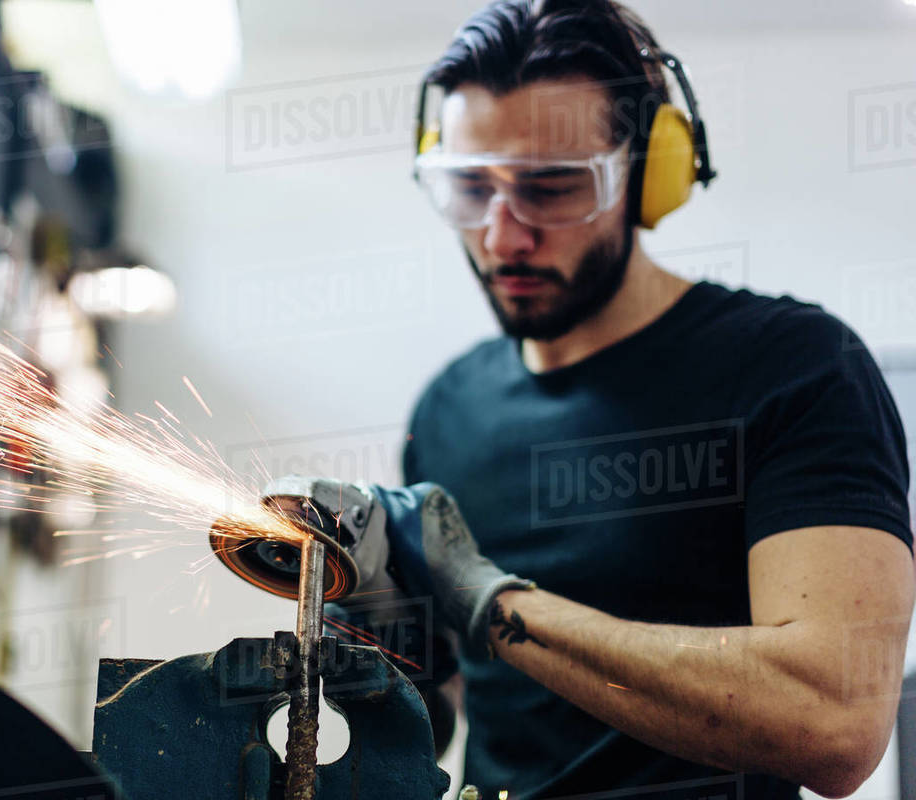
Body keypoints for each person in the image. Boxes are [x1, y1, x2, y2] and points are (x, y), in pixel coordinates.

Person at [328, 1, 914, 797]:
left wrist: (489, 599)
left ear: (649, 175)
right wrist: (377, 644)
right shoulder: (448, 410)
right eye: (469, 187)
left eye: (554, 187)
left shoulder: (797, 367)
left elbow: (836, 722)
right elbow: (466, 707)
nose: (503, 236)